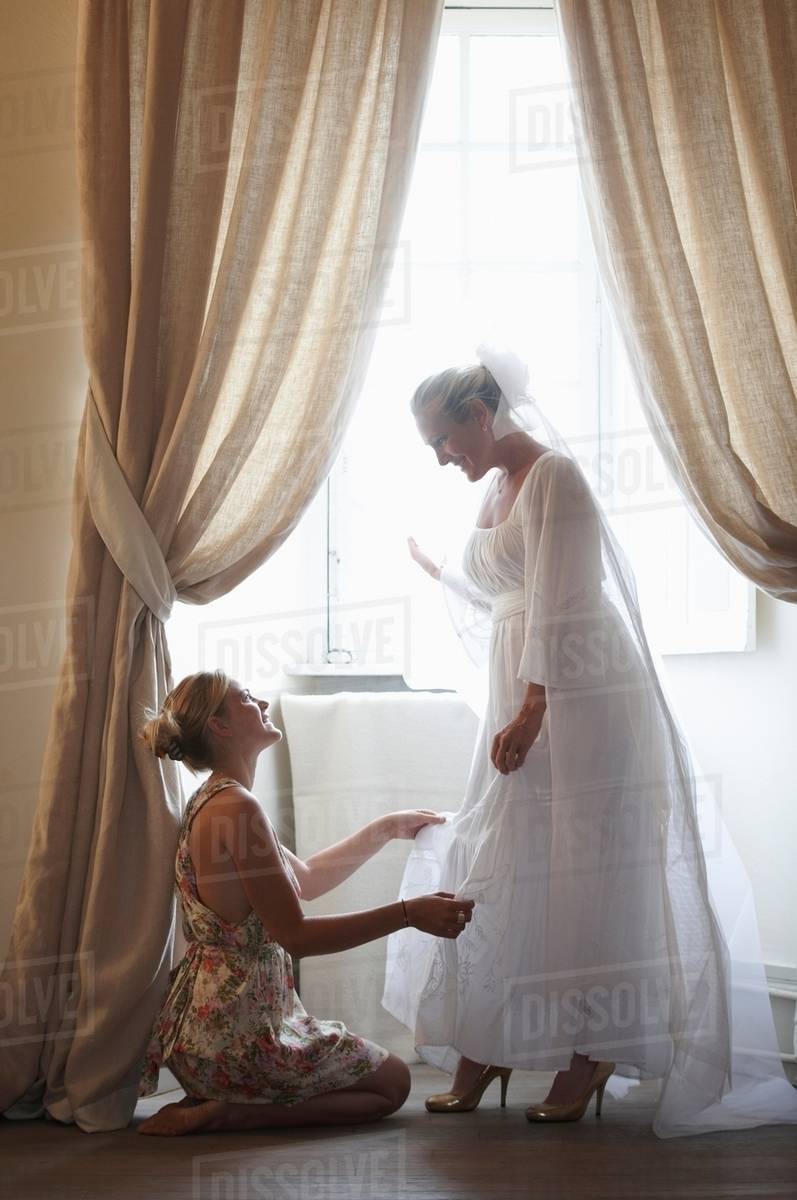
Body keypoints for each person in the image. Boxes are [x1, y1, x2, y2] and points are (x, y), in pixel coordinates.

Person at [381, 347, 797, 1137]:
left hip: (578, 691)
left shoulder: (554, 477)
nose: (440, 458)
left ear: (478, 414)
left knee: (580, 863)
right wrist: (437, 571)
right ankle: (488, 1041)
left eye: (442, 439)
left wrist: (535, 708)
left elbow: (563, 599)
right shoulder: (493, 489)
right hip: (523, 682)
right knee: (501, 856)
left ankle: (590, 1048)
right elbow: (499, 588)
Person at [136, 670, 474, 1136]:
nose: (264, 704)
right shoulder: (237, 809)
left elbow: (308, 880)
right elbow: (296, 935)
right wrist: (408, 914)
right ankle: (234, 1111)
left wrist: (387, 827)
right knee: (392, 1086)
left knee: (376, 1078)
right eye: (249, 699)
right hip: (239, 1040)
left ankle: (226, 1098)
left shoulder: (217, 801)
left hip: (203, 1043)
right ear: (221, 726)